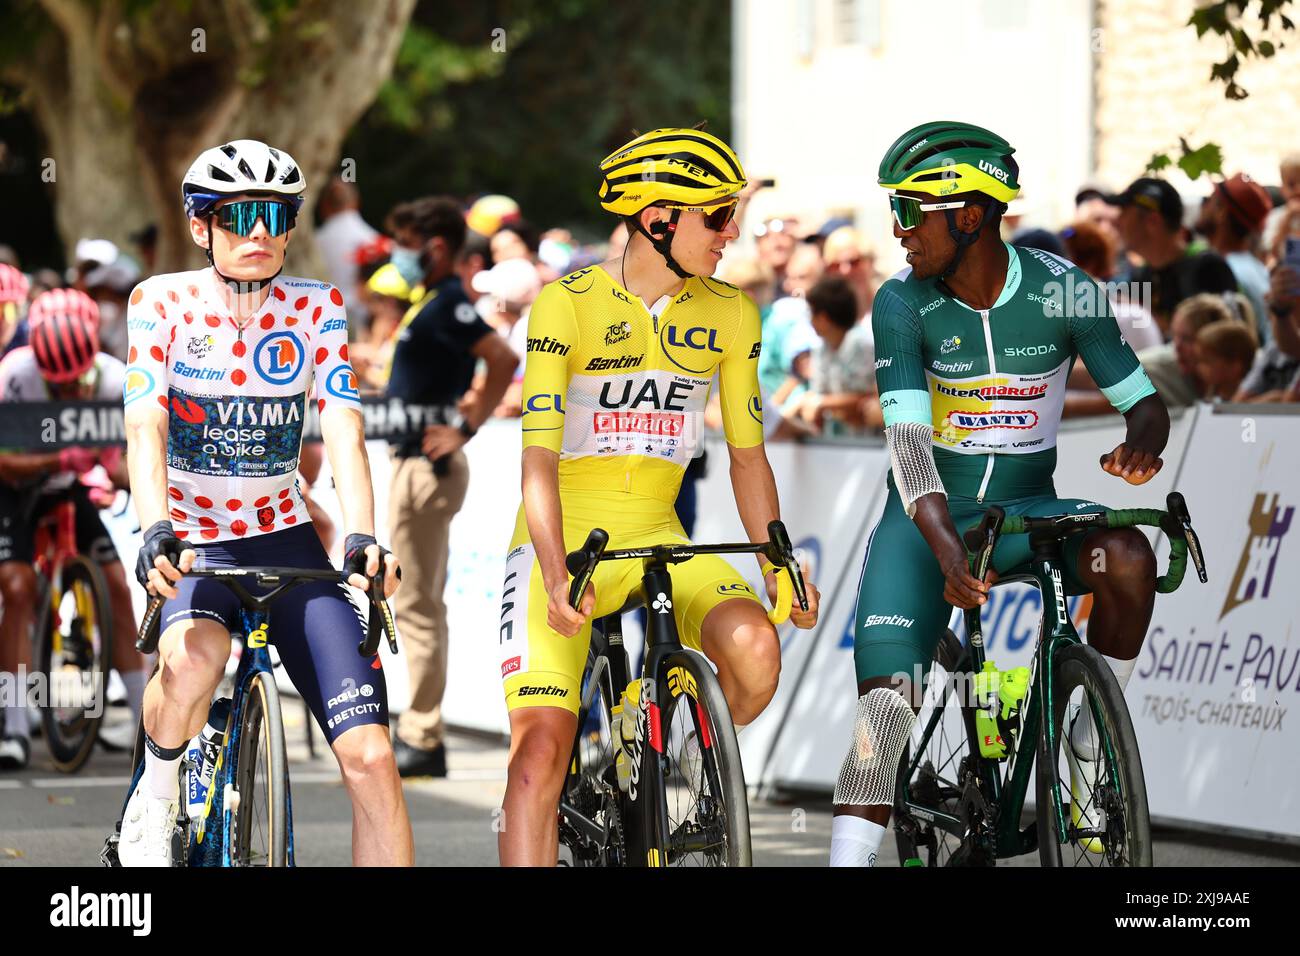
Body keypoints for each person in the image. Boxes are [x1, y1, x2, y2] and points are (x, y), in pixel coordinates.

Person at [832, 122, 1168, 867]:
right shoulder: (902, 302)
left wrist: (1145, 441)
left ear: (971, 213)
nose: (899, 229)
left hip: (1022, 514)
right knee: (883, 713)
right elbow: (909, 449)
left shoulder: (1063, 291)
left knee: (1130, 557)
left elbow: (1142, 400)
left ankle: (1086, 745)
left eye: (913, 211)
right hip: (924, 524)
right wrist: (948, 551)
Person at [498, 126, 820, 867]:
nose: (731, 231)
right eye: (716, 215)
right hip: (564, 540)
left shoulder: (734, 314)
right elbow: (537, 461)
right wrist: (552, 573)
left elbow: (747, 457)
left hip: (661, 530)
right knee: (538, 754)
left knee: (755, 650)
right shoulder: (565, 305)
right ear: (657, 220)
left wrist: (779, 561)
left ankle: (675, 772)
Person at [121, 139, 407, 866]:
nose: (257, 234)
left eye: (273, 216)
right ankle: (154, 797)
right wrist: (155, 524)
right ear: (200, 226)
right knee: (191, 663)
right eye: (239, 216)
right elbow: (145, 420)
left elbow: (341, 421)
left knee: (372, 758)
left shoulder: (318, 305)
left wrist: (364, 536)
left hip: (282, 537)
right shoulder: (161, 300)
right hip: (191, 539)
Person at [383, 197, 518, 778]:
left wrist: (464, 427)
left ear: (435, 247)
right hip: (412, 461)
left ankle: (422, 732)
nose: (399, 255)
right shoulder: (431, 303)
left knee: (416, 603)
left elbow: (503, 356)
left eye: (407, 243)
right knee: (414, 599)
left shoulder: (447, 304)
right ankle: (419, 726)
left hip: (427, 468)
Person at [0, 290, 146, 767]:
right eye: (55, 387)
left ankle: (147, 718)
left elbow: (133, 456)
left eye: (75, 384)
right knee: (17, 587)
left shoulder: (115, 378)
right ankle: (14, 723)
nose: (67, 395)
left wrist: (115, 474)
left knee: (116, 584)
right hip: (18, 484)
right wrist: (56, 457)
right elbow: (5, 463)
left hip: (72, 485)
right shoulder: (14, 378)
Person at [1105, 177, 1237, 331]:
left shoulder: (1208, 270)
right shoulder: (1142, 275)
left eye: (1124, 212)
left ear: (1152, 222)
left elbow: (1218, 342)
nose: (1116, 221)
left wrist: (1141, 315)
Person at [784, 276, 876, 437]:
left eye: (811, 314)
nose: (810, 320)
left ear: (824, 318)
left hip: (868, 442)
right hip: (834, 441)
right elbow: (818, 394)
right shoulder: (820, 348)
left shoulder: (863, 344)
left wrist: (822, 403)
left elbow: (868, 396)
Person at [1194, 173, 1273, 346]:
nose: (1204, 205)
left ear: (1222, 212)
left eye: (1211, 199)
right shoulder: (1254, 267)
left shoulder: (1225, 271)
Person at [1134, 293, 1234, 409]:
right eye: (1174, 336)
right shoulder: (1150, 372)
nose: (1177, 347)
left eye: (1187, 339)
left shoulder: (1239, 374)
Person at [315, 178, 379, 326]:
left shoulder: (316, 240)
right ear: (356, 202)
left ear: (324, 205)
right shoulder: (371, 239)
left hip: (322, 315)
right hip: (361, 318)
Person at [1235, 264, 1300, 402]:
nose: (1268, 297)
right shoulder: (1273, 351)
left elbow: (1290, 402)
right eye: (1273, 289)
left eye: (1286, 291)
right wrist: (1272, 399)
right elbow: (1237, 405)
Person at [822, 226, 879, 322]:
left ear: (870, 262)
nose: (845, 271)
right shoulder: (823, 317)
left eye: (853, 262)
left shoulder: (890, 306)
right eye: (835, 265)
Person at [1194, 319, 1257, 401]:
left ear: (1235, 367)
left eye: (1207, 362)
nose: (1199, 367)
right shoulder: (1213, 391)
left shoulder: (1249, 396)